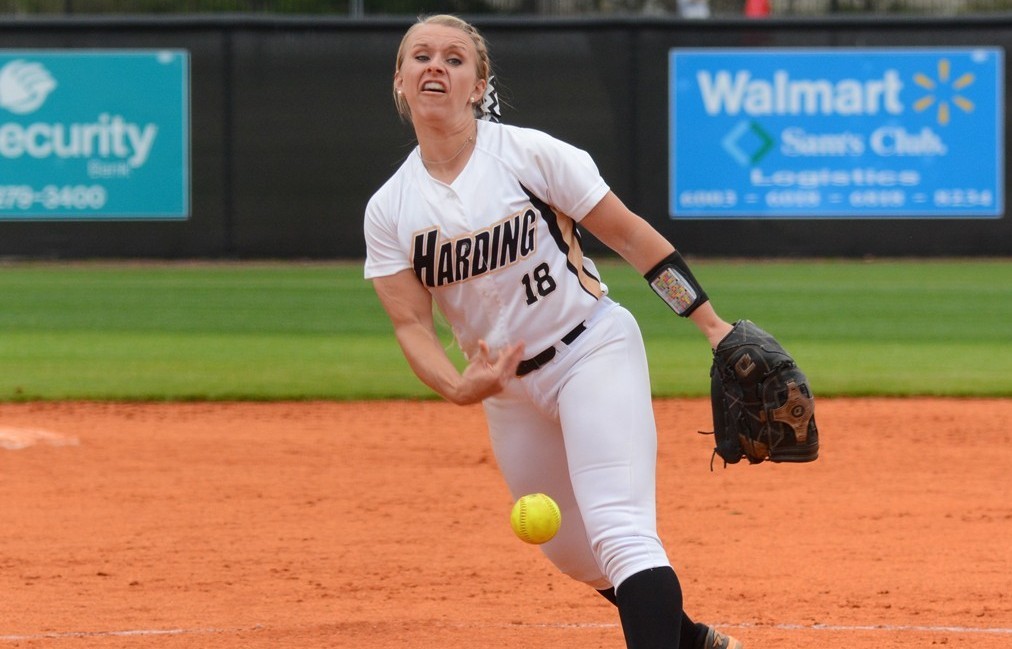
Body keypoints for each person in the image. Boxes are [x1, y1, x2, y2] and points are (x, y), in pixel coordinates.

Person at [364, 14, 743, 649]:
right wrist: (460, 387)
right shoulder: (389, 208)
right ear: (400, 82)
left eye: (454, 59)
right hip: (508, 392)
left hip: (590, 349)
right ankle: (691, 639)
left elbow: (630, 237)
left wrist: (709, 323)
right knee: (573, 553)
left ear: (479, 84)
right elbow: (410, 324)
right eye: (420, 56)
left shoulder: (529, 154)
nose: (436, 66)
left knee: (620, 530)